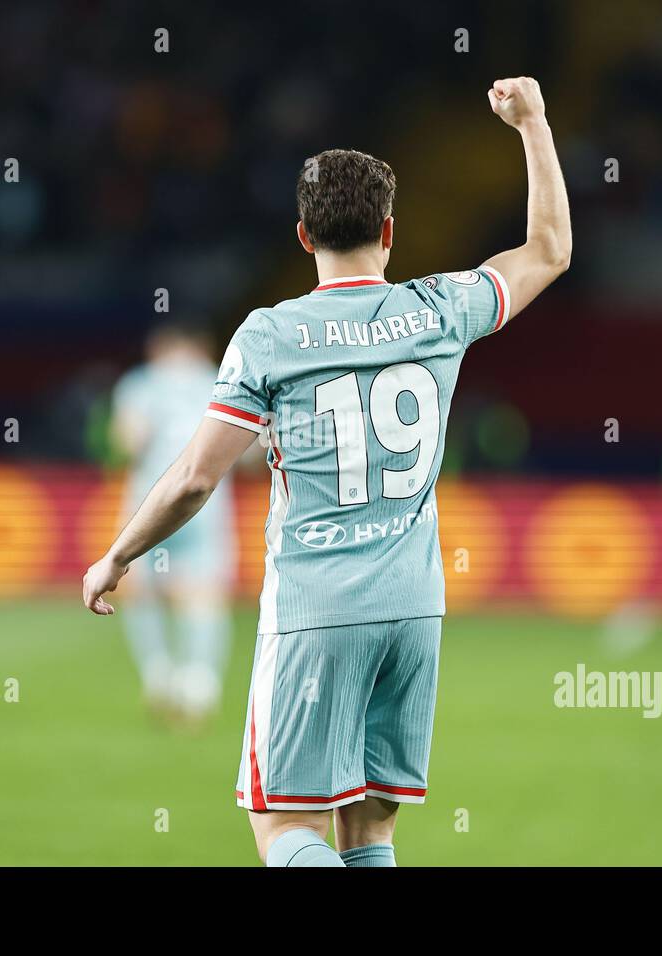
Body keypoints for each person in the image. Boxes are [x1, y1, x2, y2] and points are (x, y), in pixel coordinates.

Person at [83, 77, 571, 866]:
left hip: (317, 609)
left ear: (304, 238)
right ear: (389, 229)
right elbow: (549, 250)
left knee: (282, 827)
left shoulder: (270, 336)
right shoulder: (442, 310)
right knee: (370, 829)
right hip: (414, 612)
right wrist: (534, 125)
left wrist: (119, 555)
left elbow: (194, 481)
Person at [109, 322, 236, 726]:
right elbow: (246, 448)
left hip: (150, 505)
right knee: (202, 593)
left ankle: (158, 671)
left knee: (138, 584)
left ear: (160, 347)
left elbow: (128, 442)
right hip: (205, 503)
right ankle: (200, 681)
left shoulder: (142, 383)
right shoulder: (220, 378)